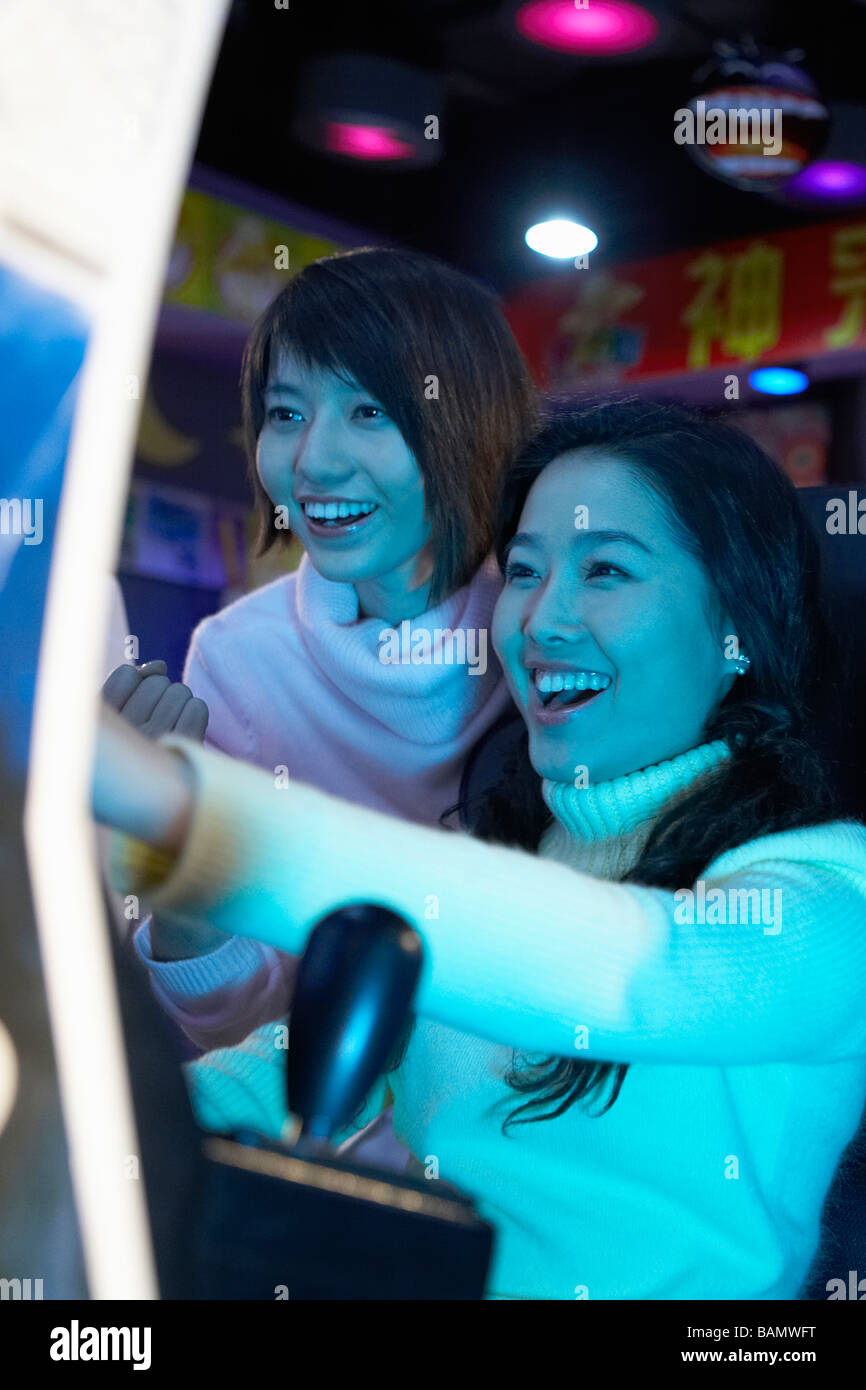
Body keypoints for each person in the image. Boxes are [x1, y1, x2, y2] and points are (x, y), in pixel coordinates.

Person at [93, 400, 866, 1299]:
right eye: (526, 572)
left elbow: (634, 969)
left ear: (738, 626)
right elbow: (258, 1081)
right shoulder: (496, 867)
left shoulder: (828, 895)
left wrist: (180, 812)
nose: (541, 620)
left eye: (607, 570)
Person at [104, 246, 537, 1055]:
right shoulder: (239, 659)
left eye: (369, 412)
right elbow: (236, 1020)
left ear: (471, 422)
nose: (313, 463)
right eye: (286, 413)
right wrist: (176, 841)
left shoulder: (546, 635)